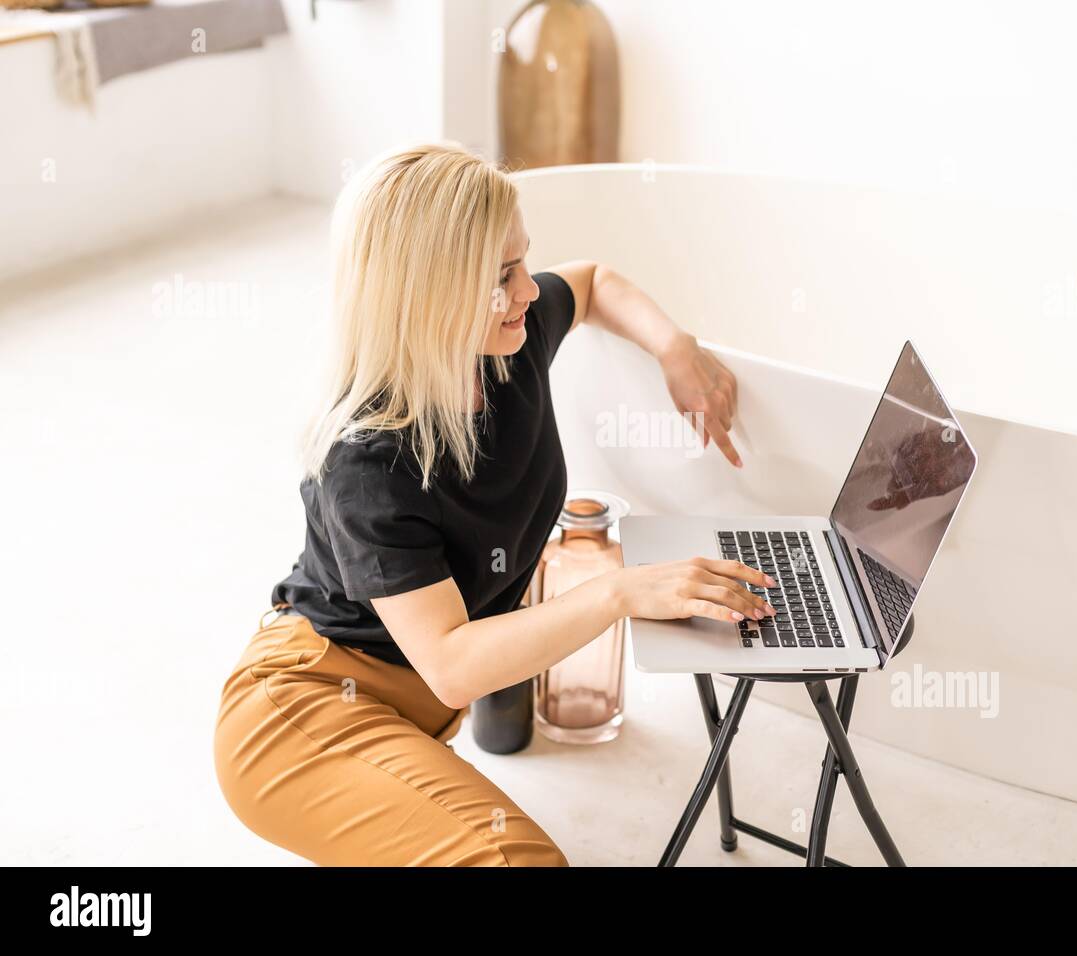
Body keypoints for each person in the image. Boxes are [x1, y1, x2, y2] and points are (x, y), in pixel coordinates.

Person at [212, 143, 777, 866]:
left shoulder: (510, 343)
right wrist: (622, 593)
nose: (530, 290)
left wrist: (675, 348)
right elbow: (449, 661)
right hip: (304, 710)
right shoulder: (366, 463)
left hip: (411, 710)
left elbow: (595, 280)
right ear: (431, 293)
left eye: (521, 263)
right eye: (502, 276)